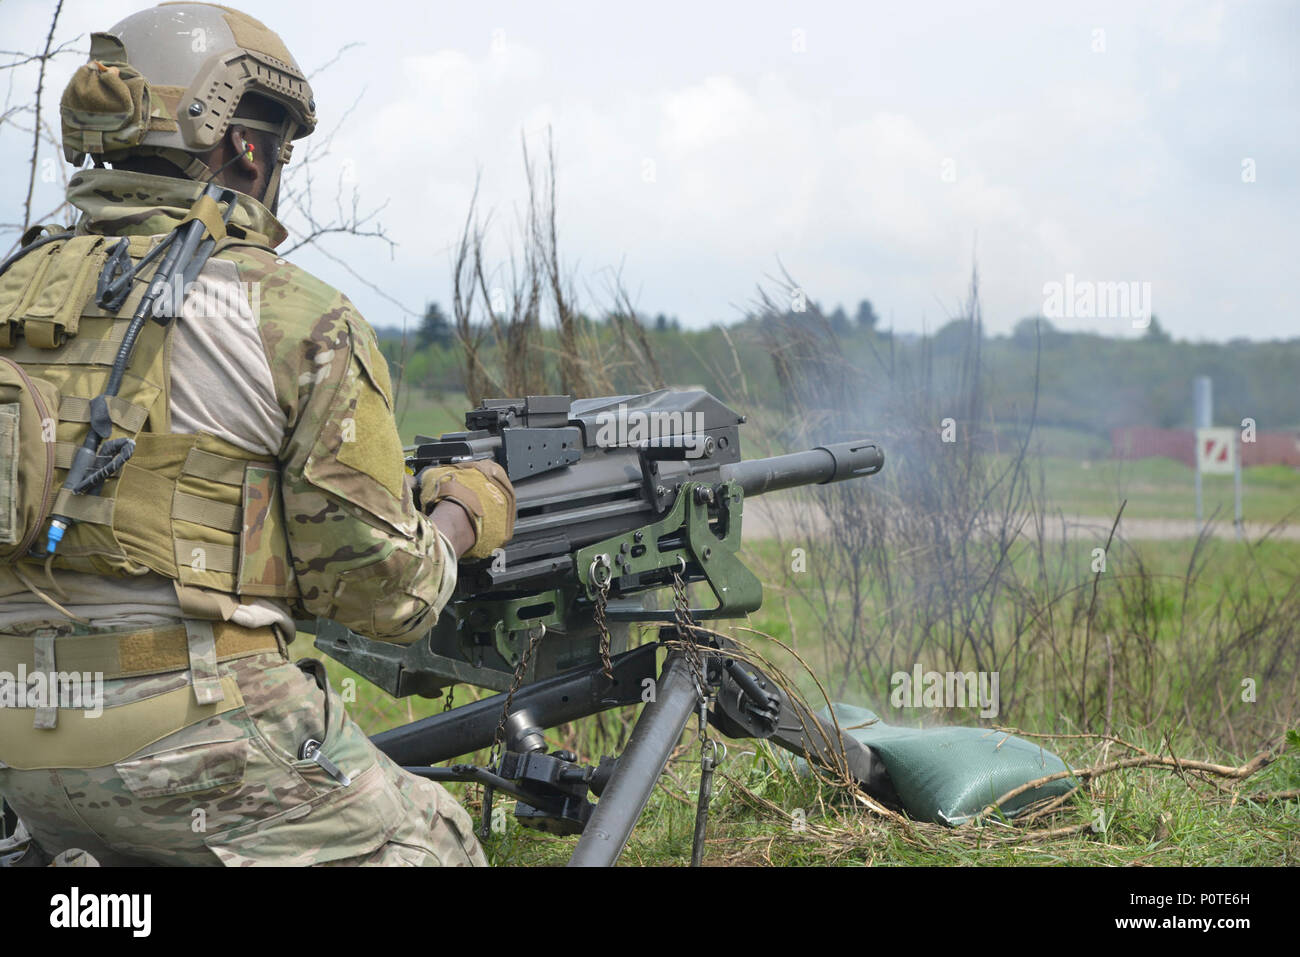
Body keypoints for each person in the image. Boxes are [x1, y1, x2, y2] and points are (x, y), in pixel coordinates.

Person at [0, 2, 514, 866]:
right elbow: (389, 596)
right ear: (247, 146)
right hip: (185, 734)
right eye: (279, 145)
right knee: (434, 841)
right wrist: (464, 513)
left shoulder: (14, 292)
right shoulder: (291, 314)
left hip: (23, 746)